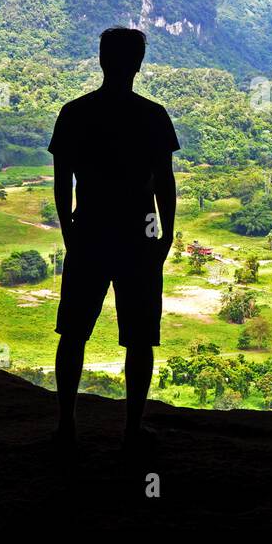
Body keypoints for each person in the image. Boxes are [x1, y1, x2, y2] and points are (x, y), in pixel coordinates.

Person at [48, 27, 179, 451]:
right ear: (139, 64)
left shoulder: (75, 112)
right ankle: (131, 429)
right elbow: (165, 183)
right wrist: (165, 233)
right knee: (140, 338)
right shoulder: (153, 115)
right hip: (139, 235)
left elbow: (61, 182)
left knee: (73, 333)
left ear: (101, 59)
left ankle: (66, 425)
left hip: (89, 231)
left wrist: (70, 230)